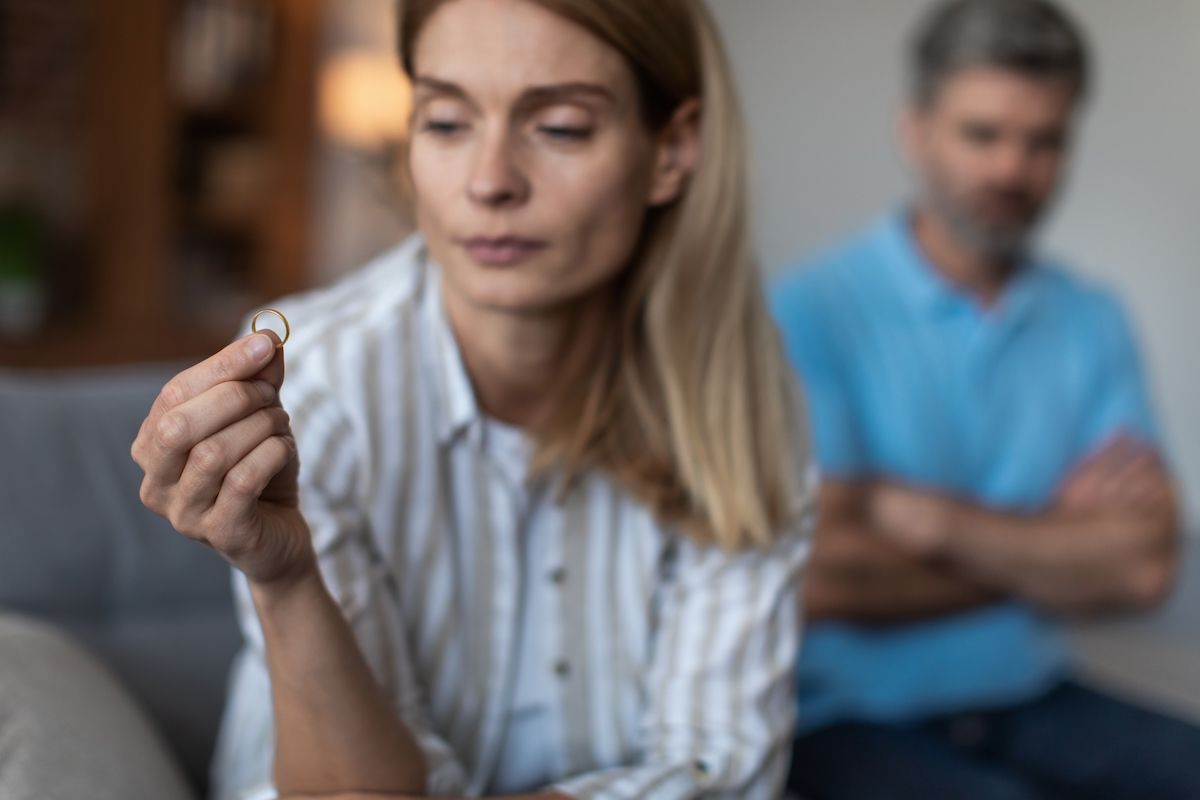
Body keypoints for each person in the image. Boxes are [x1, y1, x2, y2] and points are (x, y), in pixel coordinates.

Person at [131, 0, 814, 798]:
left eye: (560, 128)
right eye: (448, 122)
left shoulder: (736, 394)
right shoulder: (315, 380)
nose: (490, 182)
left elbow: (723, 761)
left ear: (671, 150)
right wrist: (287, 581)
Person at [770, 0, 1200, 798]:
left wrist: (931, 522)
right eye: (982, 134)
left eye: (1042, 141)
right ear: (916, 130)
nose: (1010, 170)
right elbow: (821, 576)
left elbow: (1144, 567)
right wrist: (1057, 546)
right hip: (845, 717)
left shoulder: (1092, 318)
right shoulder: (808, 311)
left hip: (1029, 693)